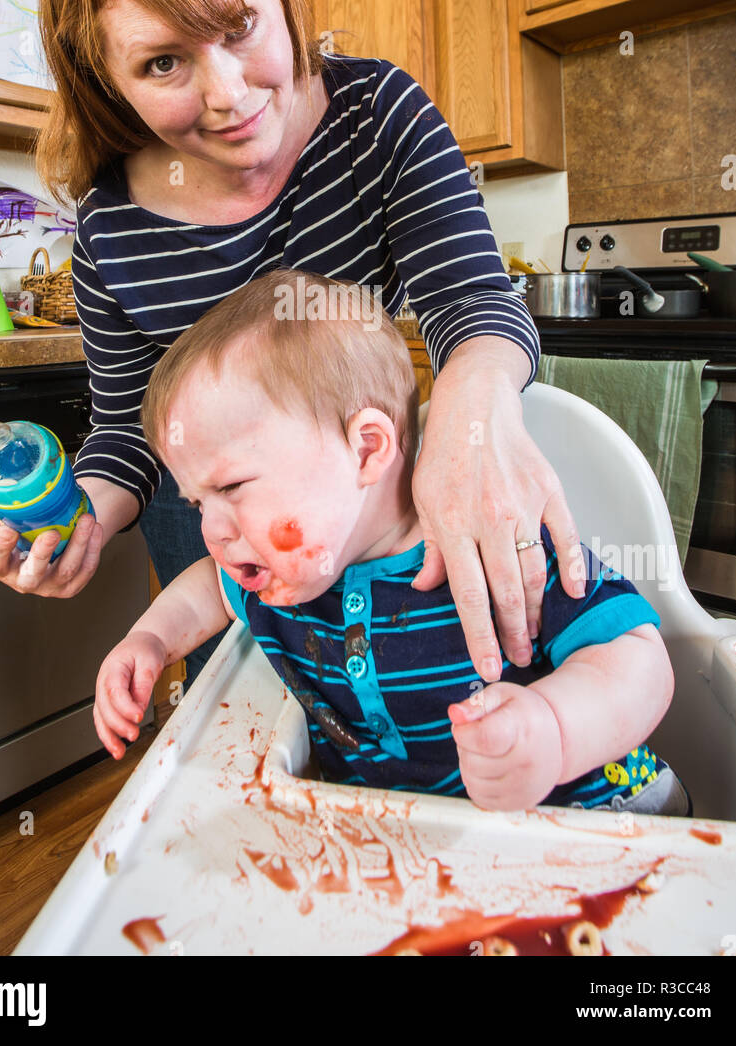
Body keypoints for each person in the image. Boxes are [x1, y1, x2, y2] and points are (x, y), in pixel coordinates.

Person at [0, 0, 587, 692]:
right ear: (104, 80)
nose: (229, 95)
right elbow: (124, 435)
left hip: (368, 520)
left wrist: (470, 416)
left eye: (240, 28)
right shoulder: (110, 226)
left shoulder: (377, 115)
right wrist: (80, 521)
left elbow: (472, 298)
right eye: (164, 63)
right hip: (213, 543)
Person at [94, 268, 689, 815]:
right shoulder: (287, 578)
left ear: (367, 449)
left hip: (601, 819)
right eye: (199, 501)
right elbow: (207, 590)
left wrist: (555, 730)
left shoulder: (490, 546)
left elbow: (640, 661)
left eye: (231, 486)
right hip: (415, 850)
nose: (212, 530)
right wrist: (149, 640)